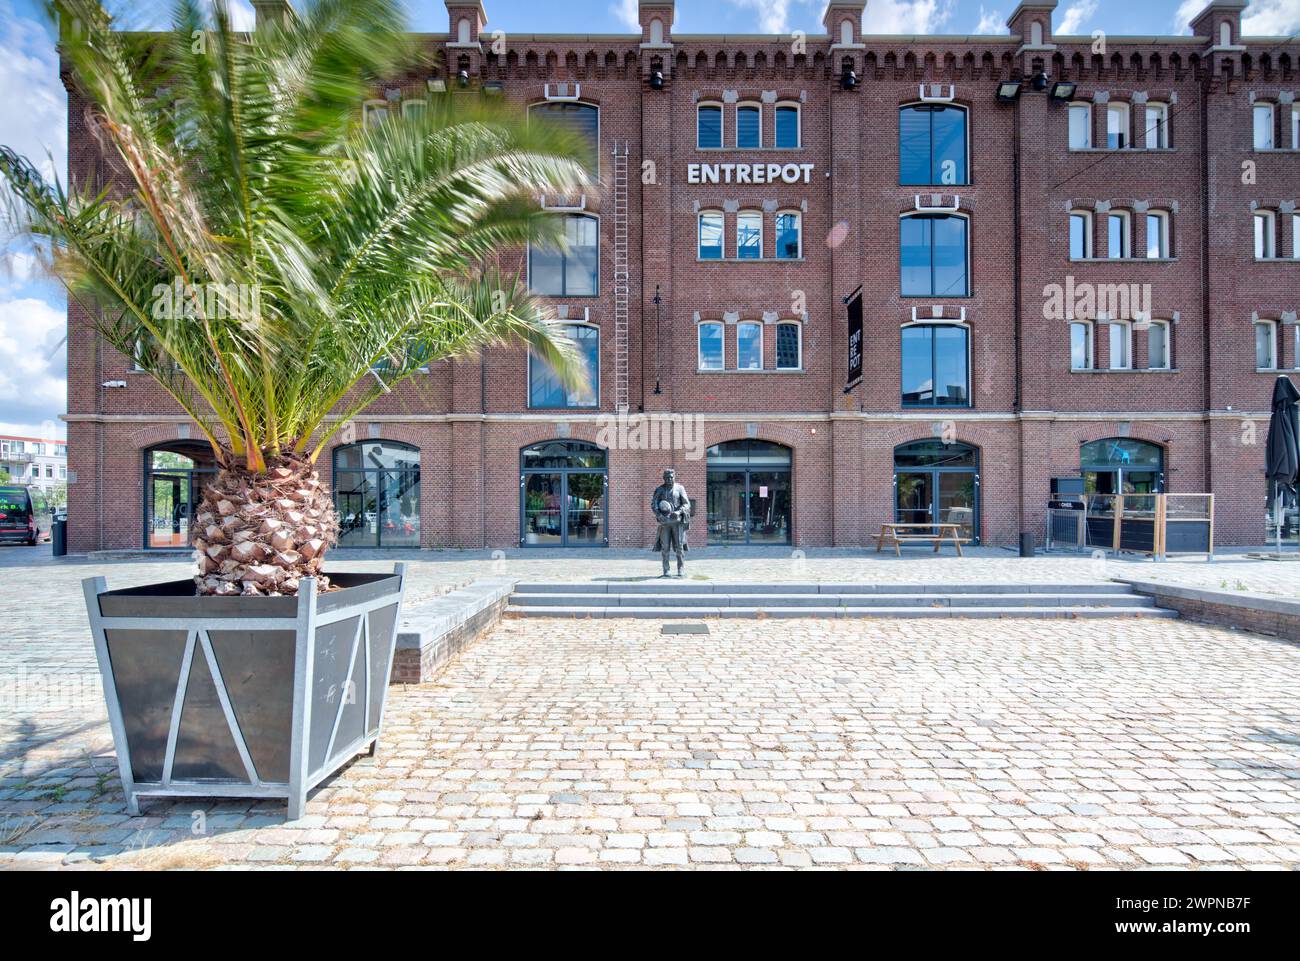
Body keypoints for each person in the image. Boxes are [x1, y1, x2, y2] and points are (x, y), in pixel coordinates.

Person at [651, 468, 691, 577]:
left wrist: (679, 512)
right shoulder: (659, 489)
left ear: (674, 477)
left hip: (677, 523)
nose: (669, 479)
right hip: (665, 523)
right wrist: (659, 515)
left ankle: (681, 569)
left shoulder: (680, 488)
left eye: (671, 477)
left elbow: (687, 504)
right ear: (664, 478)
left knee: (679, 547)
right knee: (665, 547)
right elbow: (654, 504)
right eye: (667, 478)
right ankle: (666, 570)